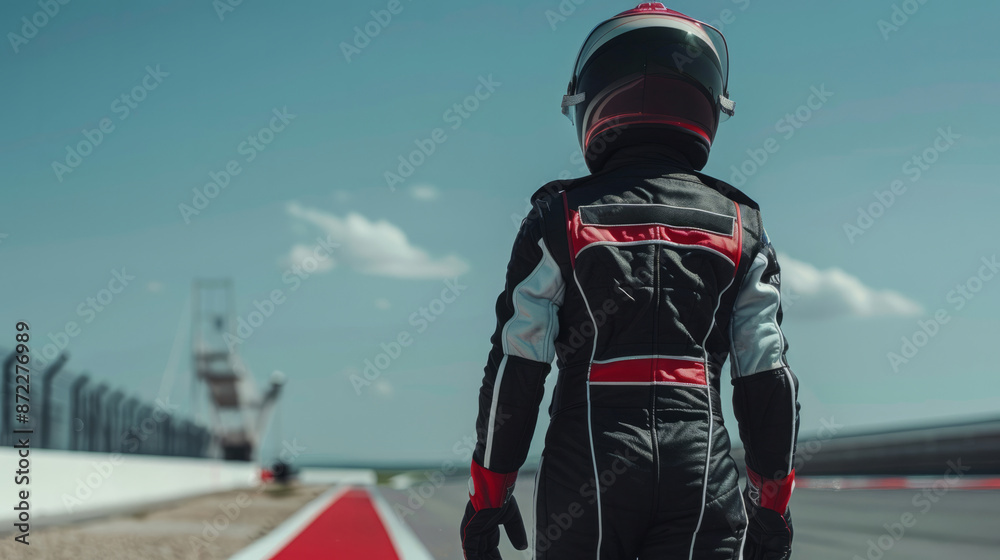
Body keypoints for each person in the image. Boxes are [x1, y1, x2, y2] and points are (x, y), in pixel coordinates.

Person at [460, 4, 800, 559]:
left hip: (587, 468)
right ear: (708, 100)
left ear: (593, 97)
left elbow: (517, 367)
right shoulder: (743, 225)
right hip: (701, 470)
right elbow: (767, 376)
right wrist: (774, 505)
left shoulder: (559, 216)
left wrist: (488, 492)